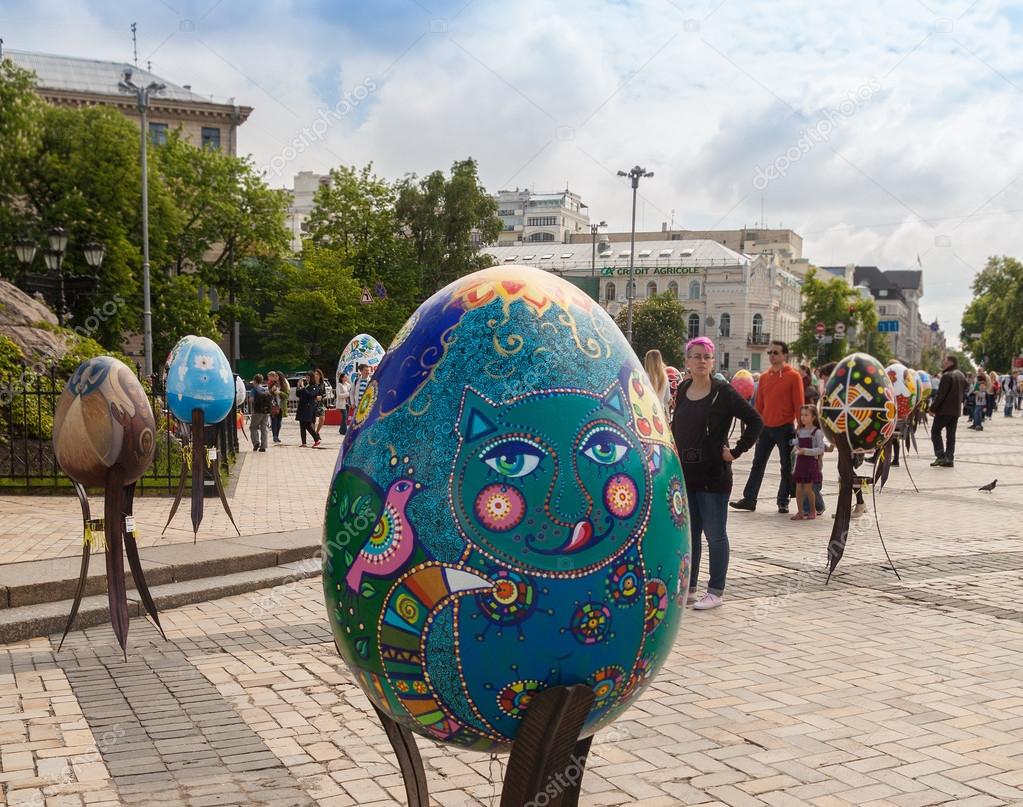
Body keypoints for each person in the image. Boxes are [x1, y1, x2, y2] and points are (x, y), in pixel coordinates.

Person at [670, 337, 762, 611]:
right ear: (687, 361)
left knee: (715, 534)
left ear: (713, 362)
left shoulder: (723, 391)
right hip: (687, 475)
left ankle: (716, 590)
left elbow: (756, 421)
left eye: (706, 357)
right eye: (696, 356)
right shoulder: (684, 388)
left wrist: (735, 451)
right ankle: (691, 587)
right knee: (692, 534)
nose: (701, 361)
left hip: (713, 476)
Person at [730, 341, 804, 514]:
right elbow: (759, 406)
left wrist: (801, 428)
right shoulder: (764, 377)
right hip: (765, 428)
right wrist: (756, 428)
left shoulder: (793, 376)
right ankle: (749, 499)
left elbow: (799, 404)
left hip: (785, 427)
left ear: (785, 355)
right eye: (770, 352)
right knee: (757, 464)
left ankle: (783, 501)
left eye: (776, 353)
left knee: (786, 466)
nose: (772, 355)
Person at [930, 355, 968, 467]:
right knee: (951, 435)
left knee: (935, 432)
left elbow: (941, 395)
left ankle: (941, 456)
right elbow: (965, 389)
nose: (943, 363)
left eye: (945, 361)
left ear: (951, 363)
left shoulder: (947, 375)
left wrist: (932, 408)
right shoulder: (961, 375)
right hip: (955, 410)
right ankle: (949, 458)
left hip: (944, 410)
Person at [790, 405, 825, 521]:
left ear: (814, 417)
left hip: (810, 463)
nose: (803, 418)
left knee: (808, 489)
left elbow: (821, 449)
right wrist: (795, 448)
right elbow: (796, 445)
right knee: (799, 489)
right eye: (802, 415)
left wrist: (806, 451)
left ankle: (812, 510)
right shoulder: (799, 431)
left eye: (806, 415)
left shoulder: (817, 432)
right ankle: (800, 512)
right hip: (800, 462)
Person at [296, 372, 323, 447]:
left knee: (307, 425)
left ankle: (316, 439)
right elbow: (298, 394)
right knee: (302, 425)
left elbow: (310, 395)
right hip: (302, 407)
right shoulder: (306, 386)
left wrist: (303, 387)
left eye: (308, 377)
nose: (307, 379)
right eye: (306, 377)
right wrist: (299, 386)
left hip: (308, 408)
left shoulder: (315, 387)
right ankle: (304, 442)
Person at [248, 373, 272, 452]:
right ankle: (263, 446)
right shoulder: (265, 389)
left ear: (255, 381)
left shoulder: (254, 390)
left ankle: (256, 442)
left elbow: (251, 400)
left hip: (257, 411)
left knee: (253, 427)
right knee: (264, 428)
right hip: (266, 411)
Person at [267, 371, 289, 445]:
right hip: (274, 405)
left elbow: (287, 395)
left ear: (280, 377)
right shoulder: (272, 384)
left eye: (277, 376)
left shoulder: (284, 385)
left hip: (281, 405)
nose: (275, 377)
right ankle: (274, 436)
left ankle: (277, 435)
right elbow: (269, 393)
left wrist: (279, 392)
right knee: (274, 420)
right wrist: (272, 391)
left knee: (279, 422)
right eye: (275, 376)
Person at [313, 368, 329, 436]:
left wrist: (321, 397)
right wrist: (315, 397)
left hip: (320, 404)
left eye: (317, 374)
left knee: (322, 419)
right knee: (313, 420)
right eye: (315, 374)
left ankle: (317, 432)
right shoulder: (312, 384)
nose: (316, 375)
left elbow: (324, 393)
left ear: (320, 375)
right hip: (313, 404)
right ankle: (314, 434)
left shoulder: (322, 384)